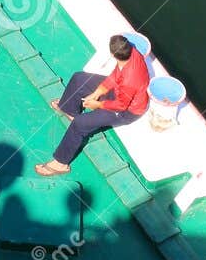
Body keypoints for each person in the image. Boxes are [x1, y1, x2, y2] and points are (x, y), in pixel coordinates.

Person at [35, 34, 150, 177]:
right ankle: (69, 109)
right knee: (79, 79)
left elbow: (121, 106)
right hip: (119, 92)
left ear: (113, 54)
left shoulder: (130, 80)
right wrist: (98, 92)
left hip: (126, 111)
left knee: (80, 123)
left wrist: (98, 104)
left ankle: (60, 163)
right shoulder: (131, 54)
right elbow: (115, 76)